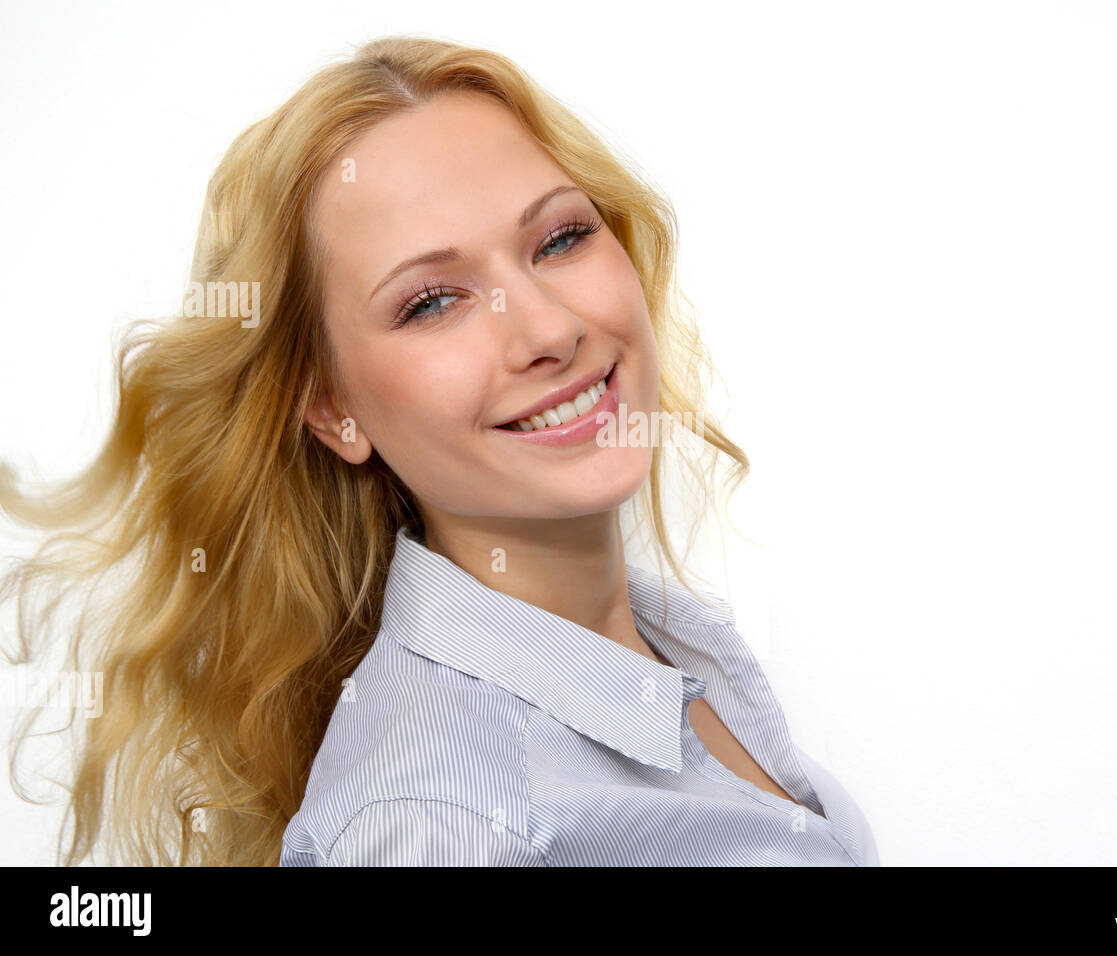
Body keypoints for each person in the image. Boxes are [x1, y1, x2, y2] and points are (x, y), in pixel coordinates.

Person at [1, 35, 879, 866]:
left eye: (561, 238)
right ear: (333, 409)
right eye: (431, 302)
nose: (550, 328)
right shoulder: (437, 823)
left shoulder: (673, 637)